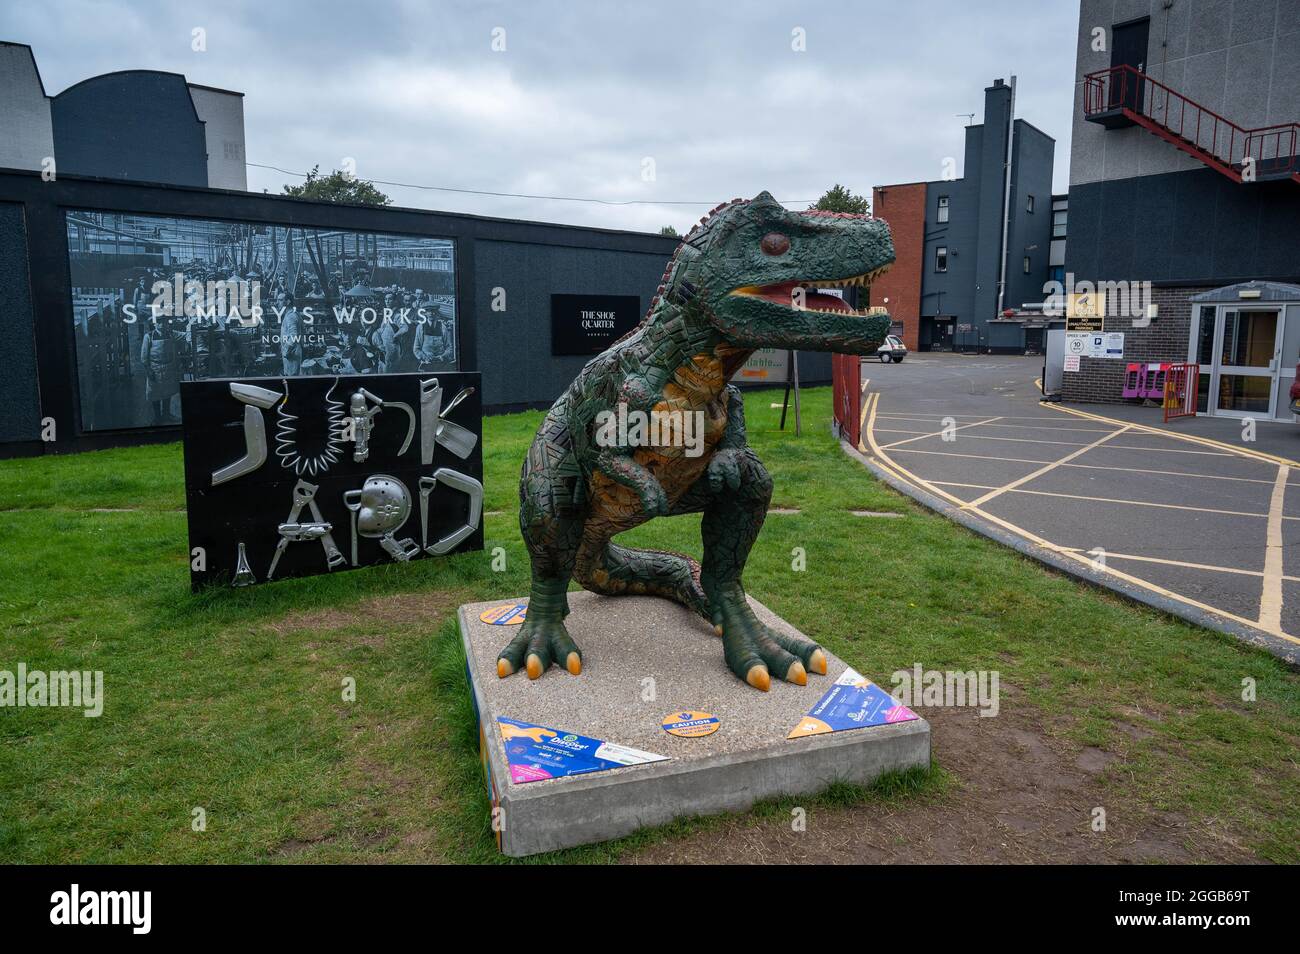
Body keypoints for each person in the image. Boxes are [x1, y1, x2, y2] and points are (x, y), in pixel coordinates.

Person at [139, 314, 180, 425]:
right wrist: (148, 370)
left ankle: (167, 414)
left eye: (165, 322)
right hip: (155, 369)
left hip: (169, 367)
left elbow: (175, 350)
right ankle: (157, 418)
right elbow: (143, 356)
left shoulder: (171, 334)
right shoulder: (149, 336)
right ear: (155, 324)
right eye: (160, 322)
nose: (162, 324)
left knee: (168, 391)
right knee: (155, 393)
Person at [278, 292, 303, 376]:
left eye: (280, 300)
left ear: (288, 302)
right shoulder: (292, 314)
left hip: (291, 354)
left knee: (291, 377)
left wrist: (286, 350)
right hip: (293, 352)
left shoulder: (291, 316)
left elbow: (294, 336)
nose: (277, 302)